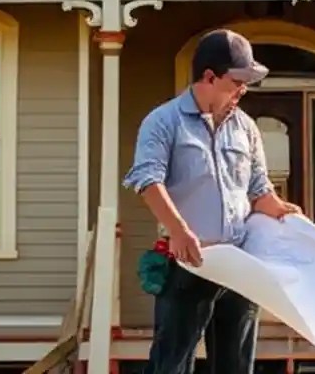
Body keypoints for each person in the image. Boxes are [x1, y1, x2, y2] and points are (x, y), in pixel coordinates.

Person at [123, 28, 302, 374]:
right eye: (237, 80)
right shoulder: (163, 122)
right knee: (171, 365)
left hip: (240, 266)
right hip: (189, 261)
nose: (243, 89)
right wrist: (178, 230)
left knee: (236, 366)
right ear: (209, 77)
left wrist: (281, 210)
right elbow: (147, 180)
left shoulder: (246, 128)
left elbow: (258, 189)